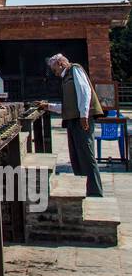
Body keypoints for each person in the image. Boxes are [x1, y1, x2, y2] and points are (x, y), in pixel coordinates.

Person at [45, 54, 104, 198]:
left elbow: (85, 92)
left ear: (60, 63)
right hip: (73, 120)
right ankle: (86, 188)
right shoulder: (66, 78)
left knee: (87, 155)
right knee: (77, 156)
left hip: (81, 119)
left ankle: (95, 192)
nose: (55, 73)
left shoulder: (75, 70)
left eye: (54, 70)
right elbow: (68, 106)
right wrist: (48, 106)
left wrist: (84, 115)